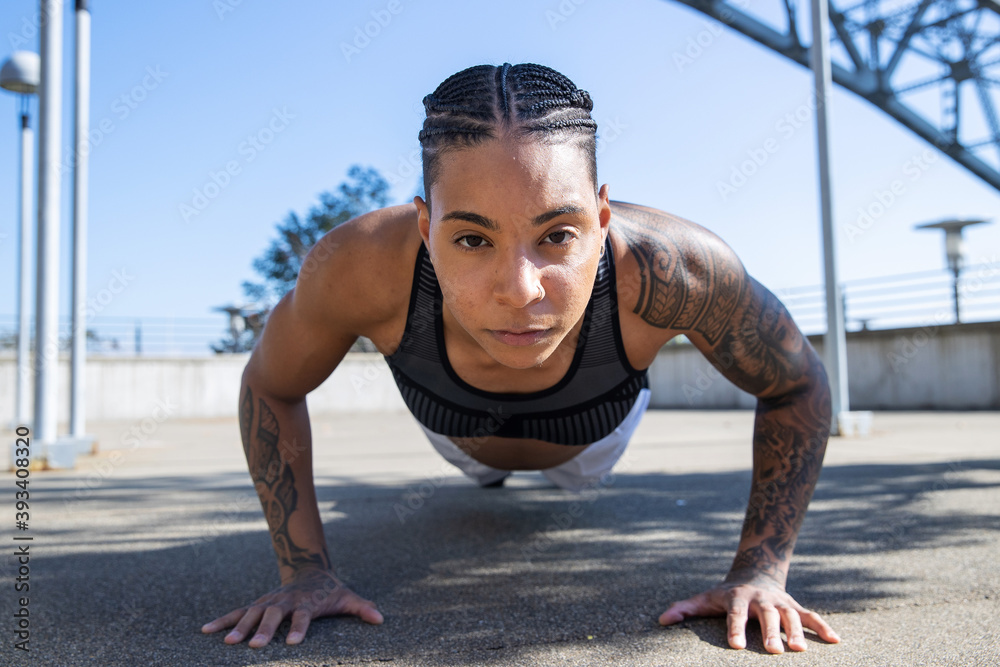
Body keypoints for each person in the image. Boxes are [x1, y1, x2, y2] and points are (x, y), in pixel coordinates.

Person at [201, 62, 841, 654]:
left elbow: (796, 384)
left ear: (601, 218)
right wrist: (304, 571)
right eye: (472, 238)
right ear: (426, 228)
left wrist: (761, 570)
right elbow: (271, 386)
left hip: (594, 447)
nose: (521, 289)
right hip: (457, 440)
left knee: (580, 466)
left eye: (557, 235)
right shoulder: (359, 267)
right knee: (480, 473)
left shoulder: (675, 271)